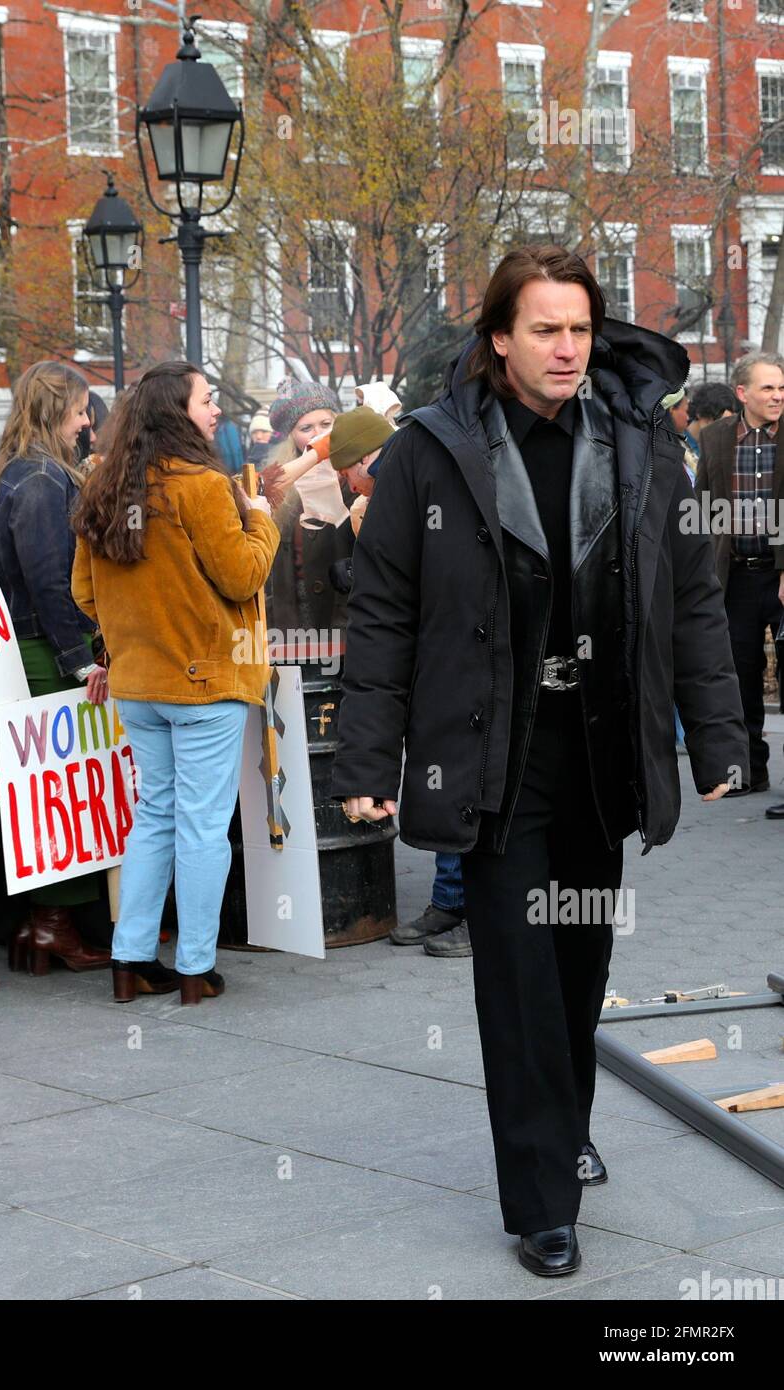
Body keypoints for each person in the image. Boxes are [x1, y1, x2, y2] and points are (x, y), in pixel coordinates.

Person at [331, 245, 747, 1277]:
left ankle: (560, 1124)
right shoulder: (432, 450)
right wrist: (365, 755)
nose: (566, 348)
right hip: (493, 757)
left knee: (576, 963)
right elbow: (384, 609)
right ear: (499, 340)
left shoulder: (641, 440)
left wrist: (720, 734)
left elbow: (688, 596)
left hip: (600, 751)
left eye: (579, 329)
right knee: (515, 971)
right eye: (545, 330)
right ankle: (540, 1196)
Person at [71, 361, 279, 1007]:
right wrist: (261, 518)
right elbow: (243, 575)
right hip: (205, 682)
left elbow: (83, 592)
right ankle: (194, 966)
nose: (214, 410)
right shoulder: (204, 486)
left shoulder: (103, 488)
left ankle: (128, 960)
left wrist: (135, 628)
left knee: (152, 820)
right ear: (176, 412)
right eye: (206, 399)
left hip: (138, 681)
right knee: (200, 827)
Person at [0, 361, 112, 976]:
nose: (86, 423)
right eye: (80, 411)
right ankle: (52, 923)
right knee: (63, 793)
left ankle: (39, 926)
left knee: (44, 792)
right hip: (45, 653)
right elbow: (51, 580)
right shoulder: (38, 478)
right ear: (56, 410)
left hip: (27, 648)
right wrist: (80, 661)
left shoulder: (18, 471)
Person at [329, 406, 473, 960]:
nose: (347, 486)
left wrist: (356, 570)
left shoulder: (397, 474)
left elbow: (409, 571)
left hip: (448, 653)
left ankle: (470, 907)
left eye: (347, 473)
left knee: (456, 783)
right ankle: (450, 899)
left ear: (363, 460)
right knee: (442, 780)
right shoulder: (401, 468)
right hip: (438, 651)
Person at [696, 352, 784, 801]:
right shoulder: (713, 439)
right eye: (768, 388)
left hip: (782, 578)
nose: (778, 396)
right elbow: (701, 510)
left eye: (782, 387)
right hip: (736, 579)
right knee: (741, 678)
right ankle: (750, 771)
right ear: (743, 393)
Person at [264, 380, 344, 639]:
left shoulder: (355, 473)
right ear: (291, 435)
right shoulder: (282, 482)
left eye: (325, 424)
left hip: (345, 606)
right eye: (306, 428)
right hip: (296, 610)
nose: (317, 434)